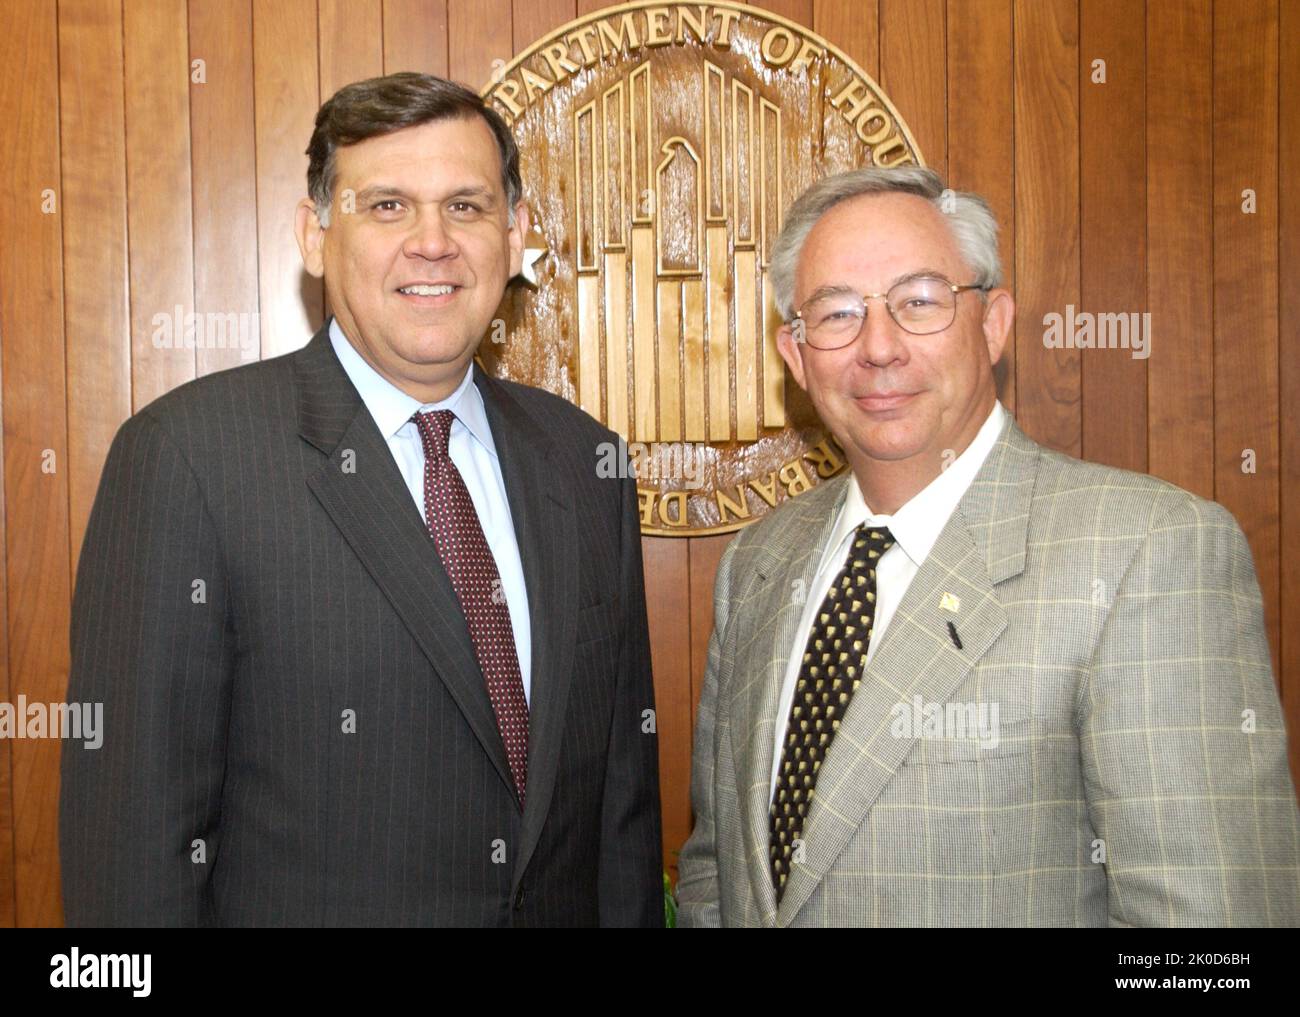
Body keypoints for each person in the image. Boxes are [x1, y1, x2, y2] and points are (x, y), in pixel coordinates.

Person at [60, 72, 662, 927]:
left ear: (515, 232)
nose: (432, 242)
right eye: (386, 206)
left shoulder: (585, 461)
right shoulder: (188, 459)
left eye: (466, 206)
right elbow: (131, 854)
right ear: (315, 235)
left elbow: (621, 816)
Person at [676, 165, 1299, 927]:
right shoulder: (758, 564)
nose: (878, 346)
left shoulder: (1147, 553)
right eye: (837, 313)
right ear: (797, 355)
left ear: (995, 324)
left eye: (920, 302)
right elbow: (716, 872)